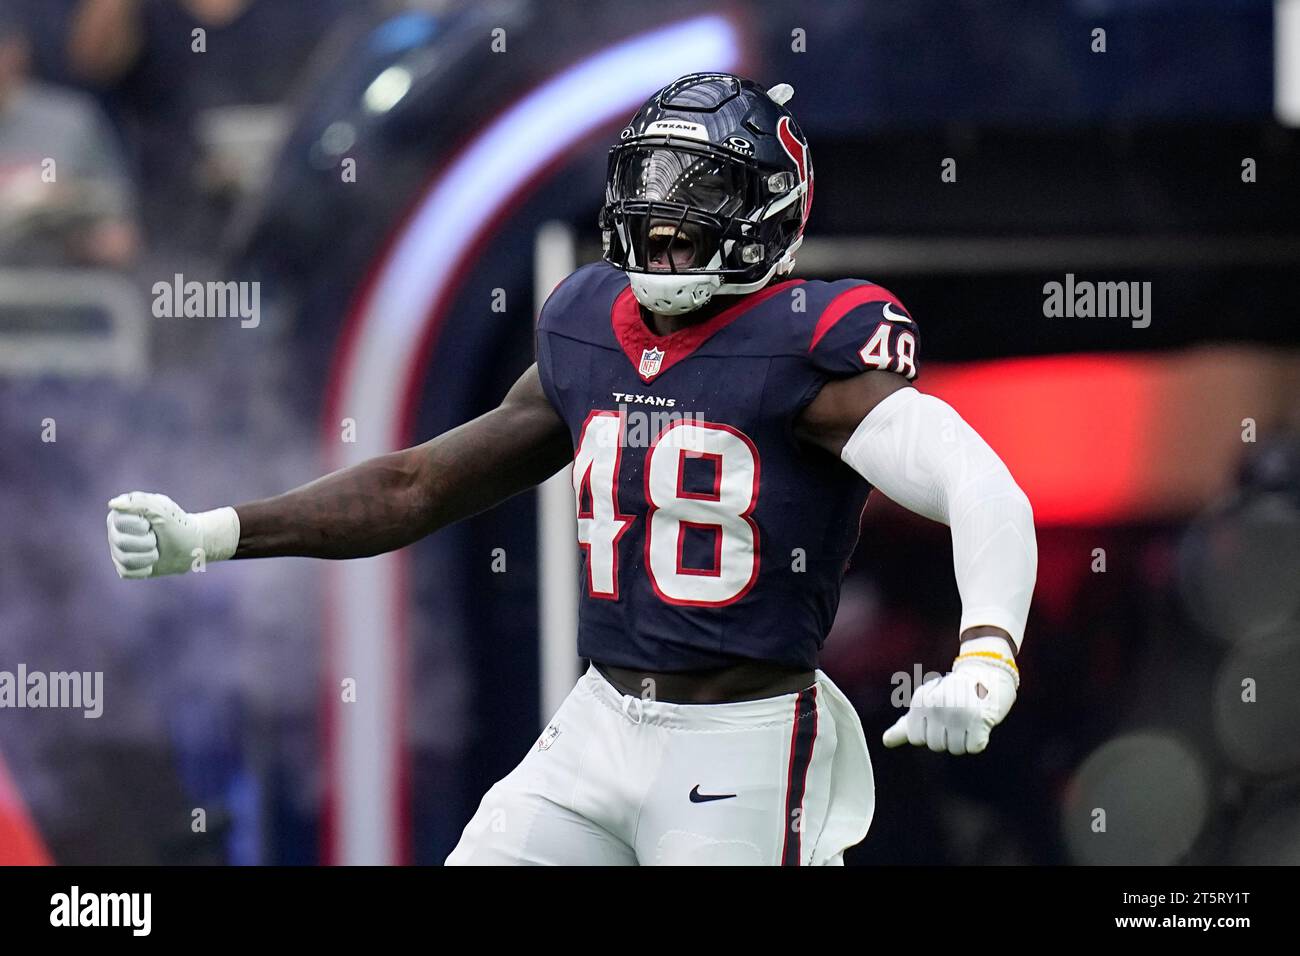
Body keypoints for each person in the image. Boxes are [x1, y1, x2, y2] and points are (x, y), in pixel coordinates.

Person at [105, 73, 1037, 865]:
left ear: (767, 209)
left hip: (742, 740)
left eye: (698, 192)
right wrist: (215, 533)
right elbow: (414, 486)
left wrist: (988, 655)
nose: (663, 218)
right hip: (599, 719)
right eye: (651, 183)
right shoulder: (589, 323)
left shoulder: (808, 346)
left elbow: (977, 481)